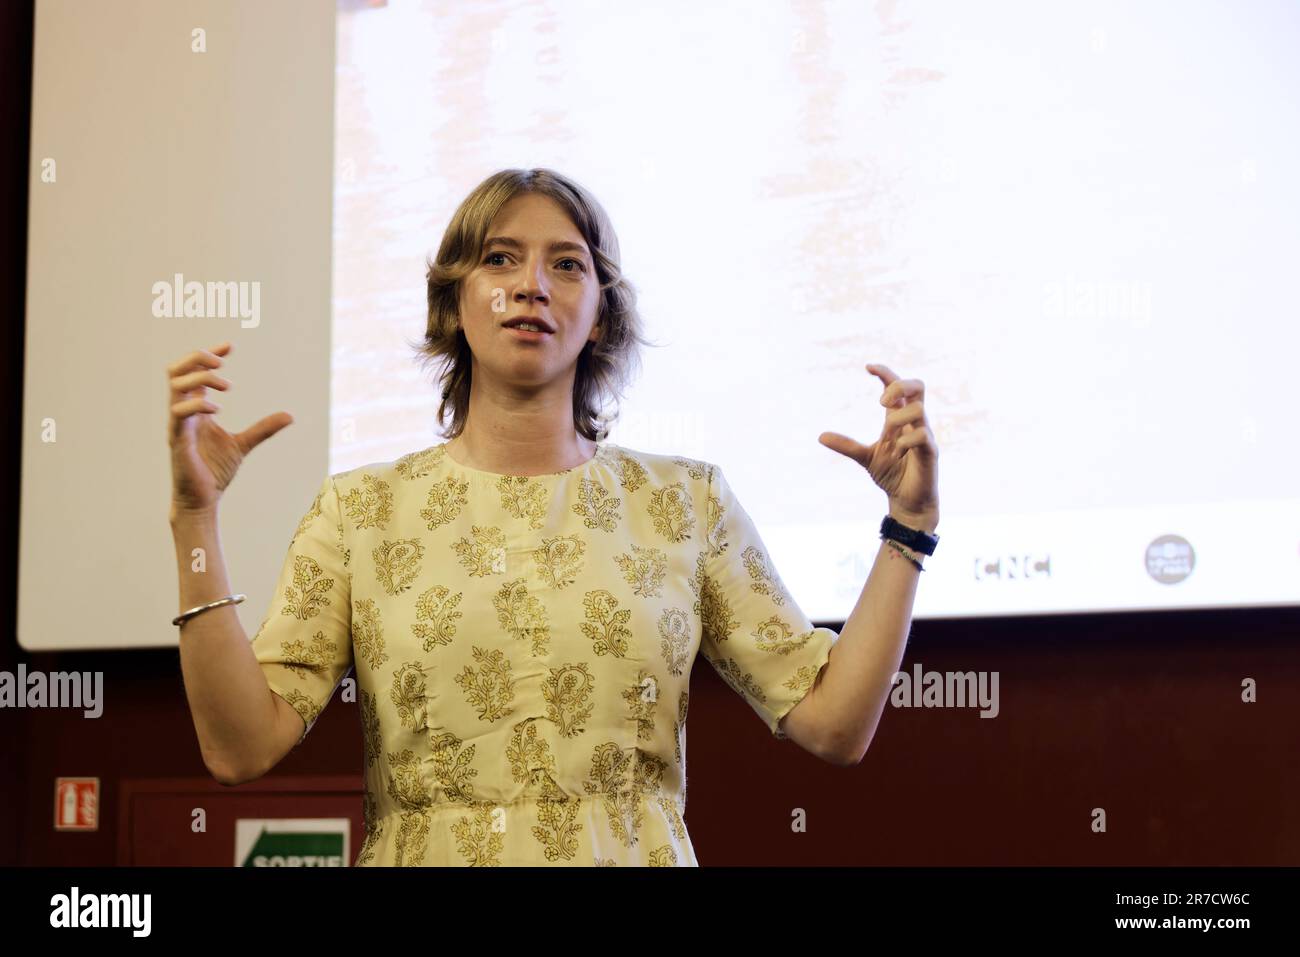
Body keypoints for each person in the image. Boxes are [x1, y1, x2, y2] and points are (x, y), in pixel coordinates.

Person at [168, 168, 941, 866]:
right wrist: (195, 520)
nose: (531, 284)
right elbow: (239, 747)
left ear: (600, 314)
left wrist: (906, 529)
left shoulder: (685, 502)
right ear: (454, 301)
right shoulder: (359, 510)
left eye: (566, 264)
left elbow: (834, 724)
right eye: (500, 260)